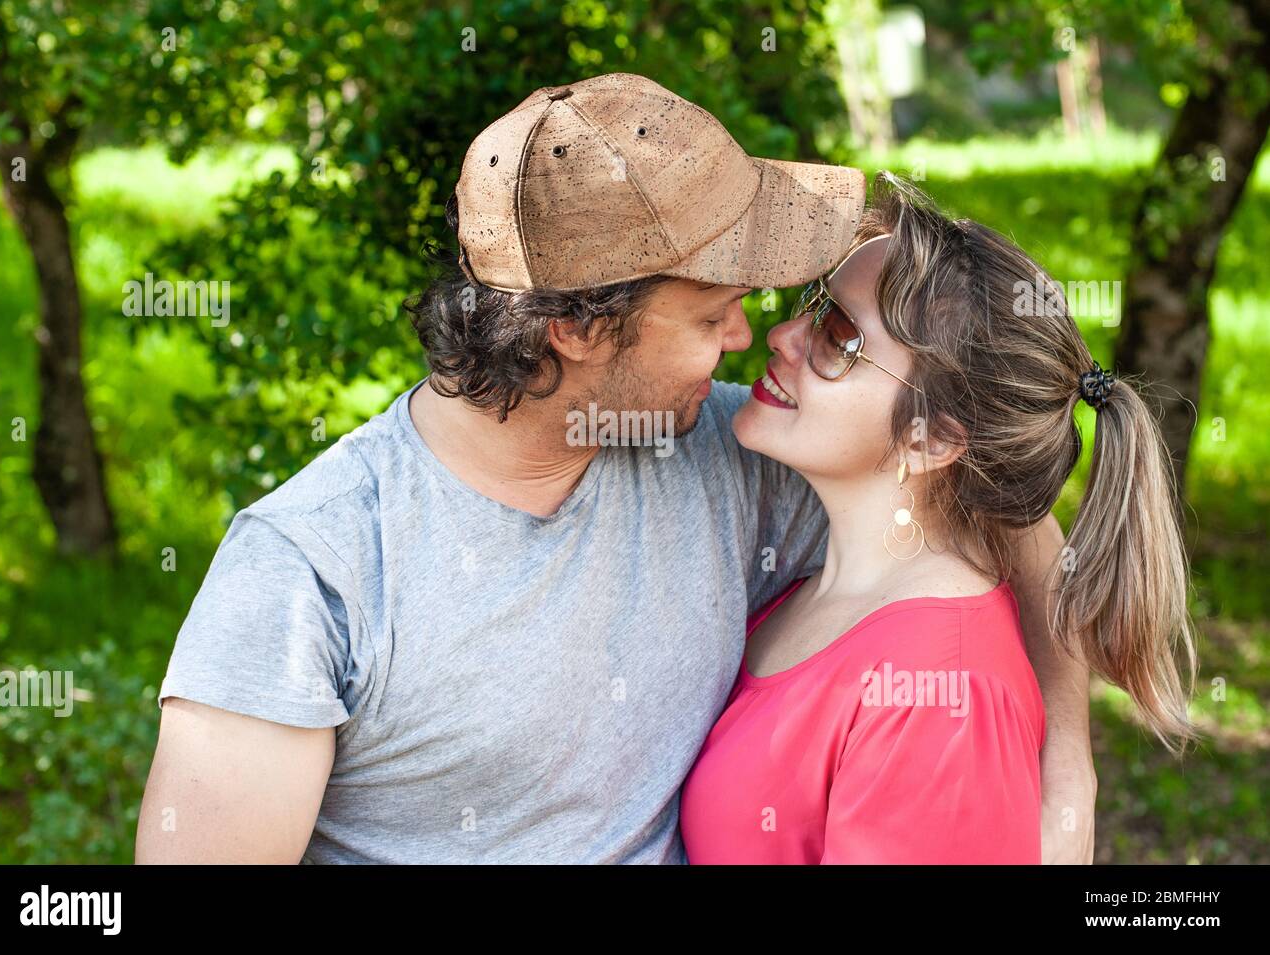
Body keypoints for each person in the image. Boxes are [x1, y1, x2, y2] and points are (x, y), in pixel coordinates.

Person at [136, 75, 1096, 864]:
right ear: (579, 328)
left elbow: (991, 502)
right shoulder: (310, 572)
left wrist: (1070, 777)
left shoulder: (731, 451)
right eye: (712, 310)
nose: (749, 333)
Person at [680, 174, 1198, 864]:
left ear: (932, 439)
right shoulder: (828, 588)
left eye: (839, 337)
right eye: (815, 305)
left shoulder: (942, 697)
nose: (780, 335)